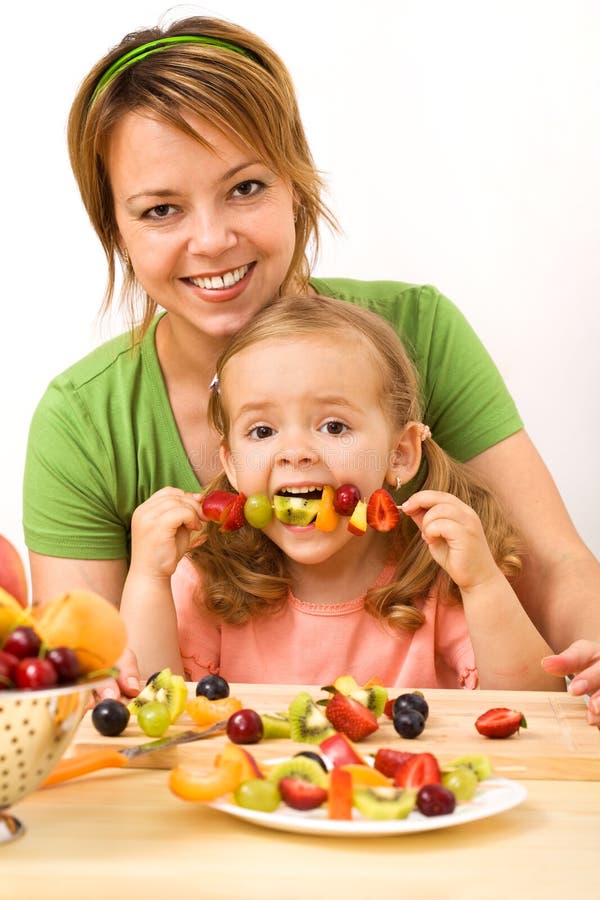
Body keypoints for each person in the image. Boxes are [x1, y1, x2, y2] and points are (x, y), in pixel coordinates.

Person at [21, 16, 599, 716]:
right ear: (117, 229)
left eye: (245, 188)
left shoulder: (419, 331)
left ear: (296, 184)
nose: (212, 240)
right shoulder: (83, 418)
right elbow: (90, 682)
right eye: (161, 209)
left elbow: (549, 564)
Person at [120, 294, 560, 691]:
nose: (295, 452)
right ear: (232, 464)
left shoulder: (441, 575)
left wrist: (482, 584)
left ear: (400, 454)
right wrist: (147, 579)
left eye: (334, 426)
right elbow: (150, 703)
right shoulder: (204, 578)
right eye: (262, 430)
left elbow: (535, 709)